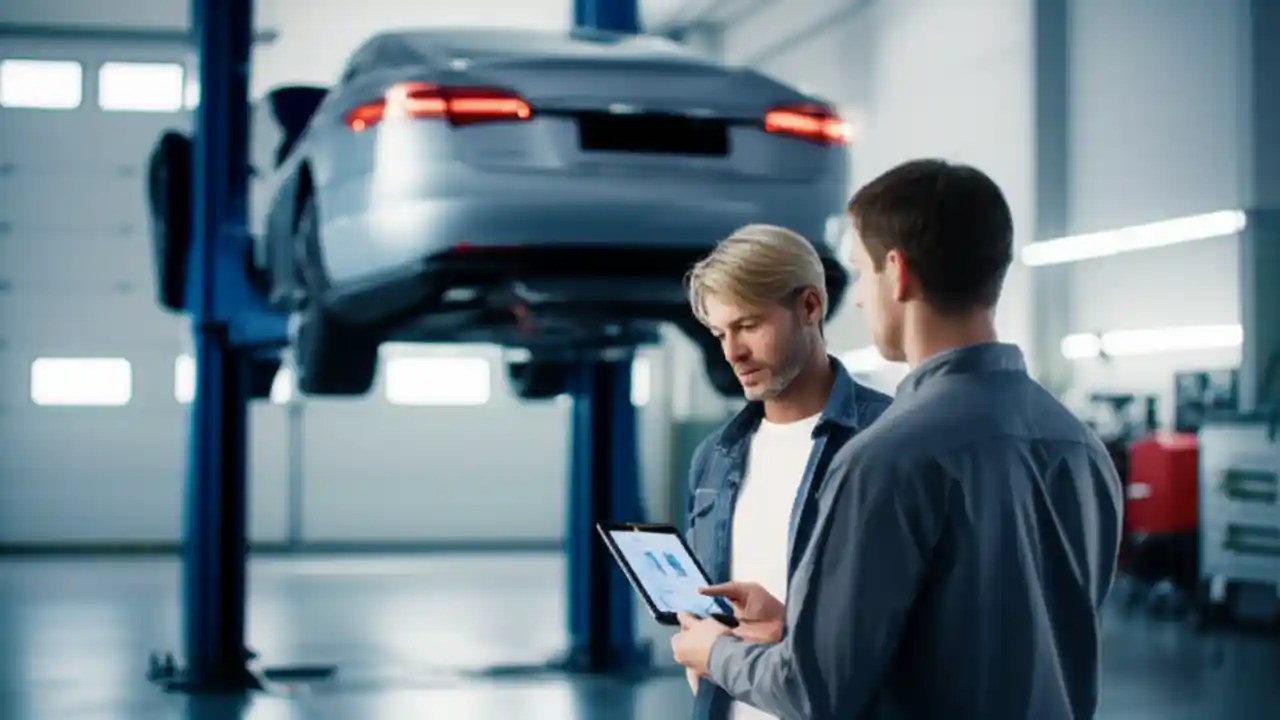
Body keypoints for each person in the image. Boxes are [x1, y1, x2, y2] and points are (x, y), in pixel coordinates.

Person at [671, 159, 1124, 720]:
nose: (859, 299)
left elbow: (817, 690)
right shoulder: (1080, 446)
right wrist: (798, 628)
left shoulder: (883, 455)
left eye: (861, 274)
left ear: (898, 271)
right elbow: (983, 645)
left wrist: (716, 651)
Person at [678, 224, 893, 720]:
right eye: (720, 333)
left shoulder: (887, 441)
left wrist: (788, 629)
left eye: (749, 325)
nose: (732, 353)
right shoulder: (716, 456)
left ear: (810, 307)